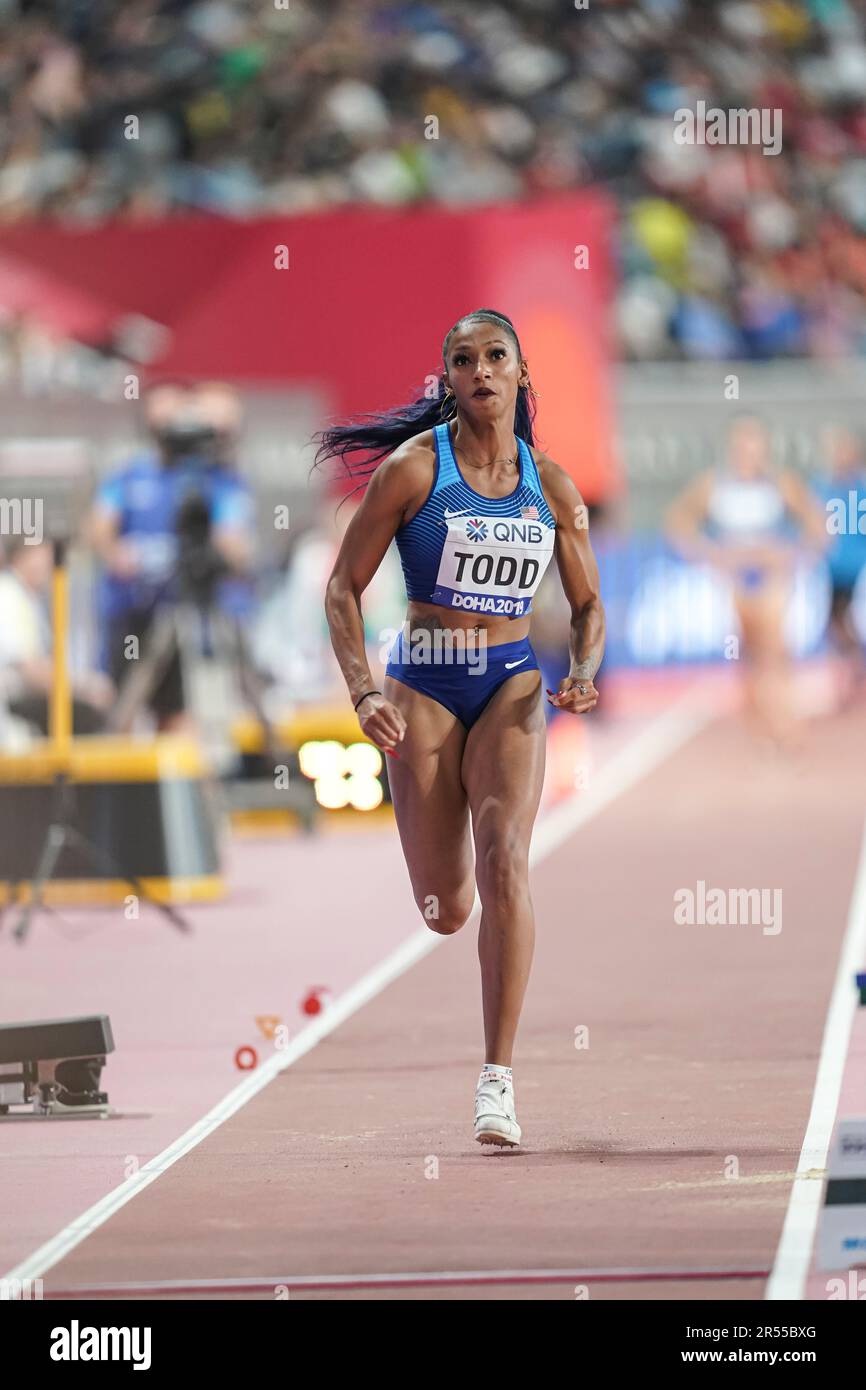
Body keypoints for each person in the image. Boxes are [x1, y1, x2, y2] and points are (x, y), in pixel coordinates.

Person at [320, 308, 605, 1148]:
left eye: (494, 356)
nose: (479, 370)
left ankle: (497, 1081)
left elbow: (588, 607)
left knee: (507, 860)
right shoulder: (414, 471)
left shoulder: (551, 486)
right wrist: (364, 689)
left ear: (521, 374)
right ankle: (454, 915)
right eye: (462, 359)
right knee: (447, 908)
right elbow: (342, 587)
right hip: (425, 687)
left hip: (512, 683)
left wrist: (582, 671)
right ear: (447, 378)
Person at [86, 381, 255, 732]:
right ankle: (122, 783)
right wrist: (119, 554)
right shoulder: (131, 474)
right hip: (133, 613)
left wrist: (218, 551)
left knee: (180, 717)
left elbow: (236, 545)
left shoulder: (215, 480)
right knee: (122, 715)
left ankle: (188, 785)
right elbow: (99, 526)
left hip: (191, 609)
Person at [666, 414, 827, 748]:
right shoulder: (716, 484)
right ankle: (759, 726)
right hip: (736, 580)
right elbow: (679, 521)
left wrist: (794, 553)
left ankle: (786, 723)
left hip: (770, 578)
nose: (749, 452)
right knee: (746, 653)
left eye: (754, 444)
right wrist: (710, 553)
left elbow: (816, 522)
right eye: (742, 444)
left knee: (775, 648)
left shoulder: (778, 483)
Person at [0, 538, 112, 737]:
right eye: (45, 553)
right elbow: (29, 670)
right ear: (24, 556)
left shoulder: (28, 599)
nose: (52, 563)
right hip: (10, 729)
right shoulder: (7, 595)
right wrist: (82, 686)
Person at [812, 425, 866, 701]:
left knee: (843, 620)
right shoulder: (822, 486)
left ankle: (851, 674)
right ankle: (849, 673)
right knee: (835, 624)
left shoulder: (861, 487)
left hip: (857, 568)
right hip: (833, 569)